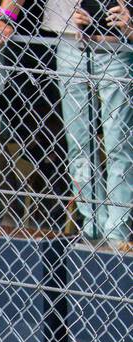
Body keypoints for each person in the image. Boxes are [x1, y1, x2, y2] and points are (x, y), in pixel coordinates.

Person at [47, 0, 132, 244]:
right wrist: (5, 16)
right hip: (71, 43)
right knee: (78, 143)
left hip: (119, 48)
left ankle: (117, 231)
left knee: (119, 144)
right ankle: (91, 223)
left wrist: (129, 24)